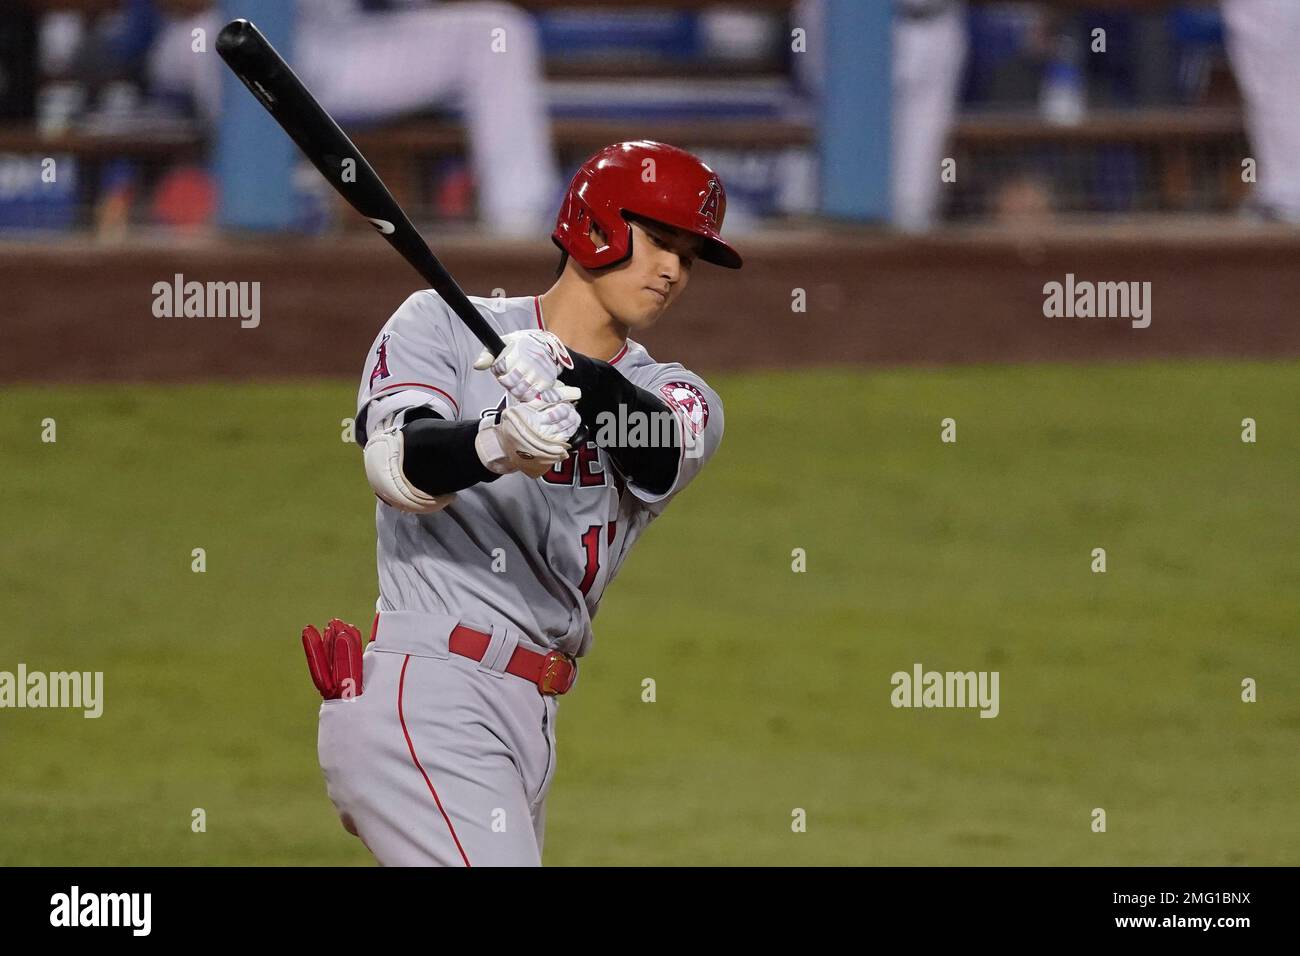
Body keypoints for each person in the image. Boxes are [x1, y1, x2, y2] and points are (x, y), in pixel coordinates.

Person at [304, 140, 741, 866]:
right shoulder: (437, 324)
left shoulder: (679, 394)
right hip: (429, 694)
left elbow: (659, 444)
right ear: (598, 224)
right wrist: (498, 440)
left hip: (530, 715)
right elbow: (395, 465)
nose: (672, 270)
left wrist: (572, 375)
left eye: (689, 257)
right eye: (660, 241)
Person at [148, 0, 557, 234]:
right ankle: (278, 183)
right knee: (228, 40)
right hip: (212, 29)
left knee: (498, 31)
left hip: (347, 41)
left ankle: (518, 221)